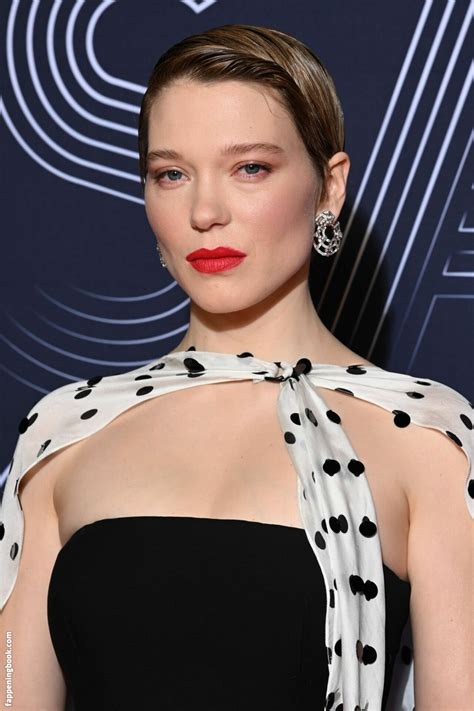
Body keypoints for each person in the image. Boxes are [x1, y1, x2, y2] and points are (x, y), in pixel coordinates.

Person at [0, 23, 472, 711]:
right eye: (171, 174)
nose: (204, 212)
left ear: (330, 186)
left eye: (250, 168)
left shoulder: (429, 440)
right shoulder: (65, 433)